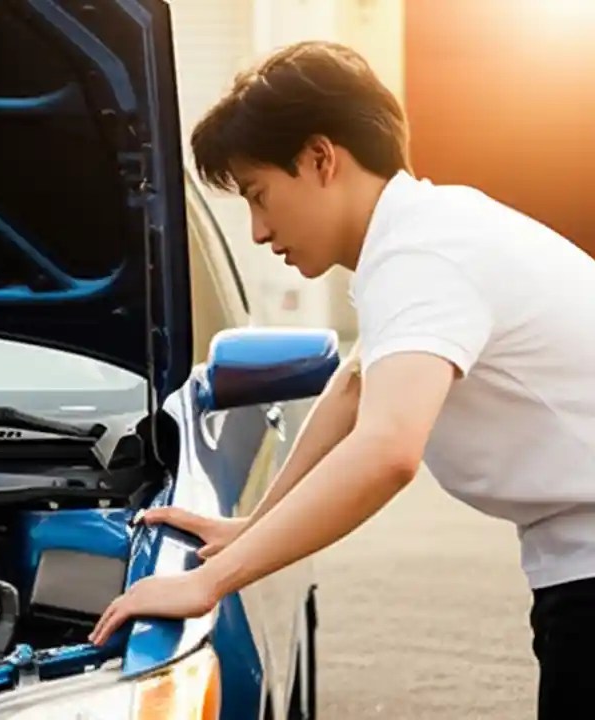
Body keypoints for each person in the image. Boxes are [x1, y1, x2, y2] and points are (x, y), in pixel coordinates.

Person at [86, 40, 595, 718]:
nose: (260, 231)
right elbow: (356, 390)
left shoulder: (421, 254)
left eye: (260, 196)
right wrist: (253, 527)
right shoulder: (423, 234)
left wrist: (211, 581)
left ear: (322, 158)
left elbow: (386, 451)